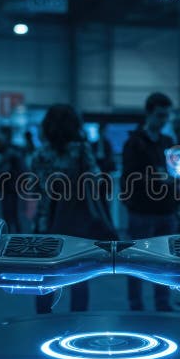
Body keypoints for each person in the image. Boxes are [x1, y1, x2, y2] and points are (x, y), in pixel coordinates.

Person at [31, 104, 111, 314]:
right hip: (78, 221)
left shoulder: (41, 154)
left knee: (45, 277)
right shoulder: (82, 150)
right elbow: (96, 179)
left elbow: (36, 188)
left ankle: (43, 323)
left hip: (46, 222)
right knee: (79, 277)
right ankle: (77, 323)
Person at [121, 93, 178, 312]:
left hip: (166, 209)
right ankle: (136, 304)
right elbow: (129, 177)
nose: (163, 120)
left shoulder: (168, 142)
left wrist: (177, 201)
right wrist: (156, 177)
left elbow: (175, 176)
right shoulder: (134, 143)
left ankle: (162, 302)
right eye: (160, 115)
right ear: (149, 113)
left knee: (163, 261)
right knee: (135, 260)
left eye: (166, 116)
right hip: (141, 210)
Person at [0, 126, 25, 233]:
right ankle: (11, 235)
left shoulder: (12, 149)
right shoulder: (3, 148)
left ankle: (13, 236)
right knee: (8, 213)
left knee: (12, 213)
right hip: (7, 185)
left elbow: (21, 167)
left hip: (11, 184)